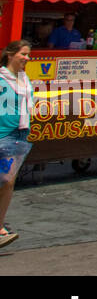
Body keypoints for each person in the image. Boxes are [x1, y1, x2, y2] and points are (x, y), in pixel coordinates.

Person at [0, 41, 36, 249]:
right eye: (23, 54)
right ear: (10, 54)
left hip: (20, 135)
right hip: (4, 135)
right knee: (5, 181)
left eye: (28, 55)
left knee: (7, 181)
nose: (26, 58)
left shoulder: (24, 79)